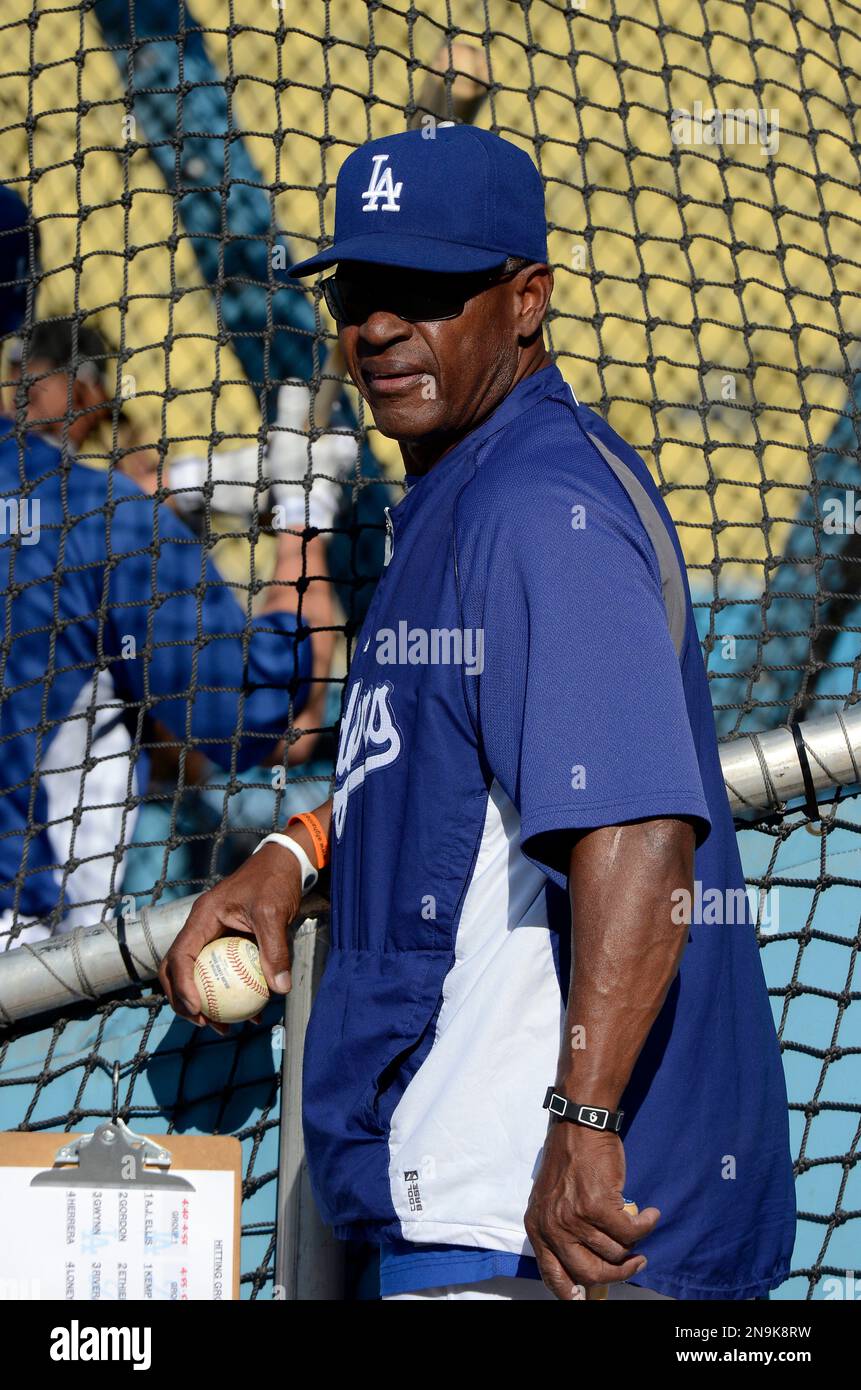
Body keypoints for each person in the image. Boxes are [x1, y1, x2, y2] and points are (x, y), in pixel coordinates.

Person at [161, 126, 797, 1301]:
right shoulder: (467, 493)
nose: (383, 326)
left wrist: (584, 1117)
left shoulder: (532, 507)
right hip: (488, 1220)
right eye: (362, 291)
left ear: (526, 299)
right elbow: (470, 785)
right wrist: (293, 853)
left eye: (430, 290)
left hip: (535, 1235)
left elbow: (643, 831)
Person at [0, 189, 316, 943]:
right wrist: (304, 523)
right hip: (29, 954)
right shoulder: (89, 510)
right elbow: (244, 714)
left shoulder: (103, 500)